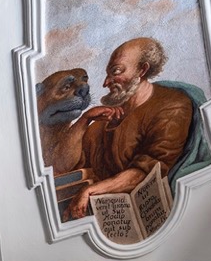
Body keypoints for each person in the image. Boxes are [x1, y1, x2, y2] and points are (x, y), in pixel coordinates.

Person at [68, 37, 197, 220]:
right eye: (108, 74)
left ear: (142, 70)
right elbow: (73, 165)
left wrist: (90, 191)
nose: (106, 83)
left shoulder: (172, 106)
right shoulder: (103, 119)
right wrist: (85, 119)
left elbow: (149, 171)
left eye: (116, 72)